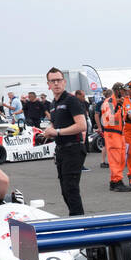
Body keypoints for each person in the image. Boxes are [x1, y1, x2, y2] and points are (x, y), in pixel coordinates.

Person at [42, 67, 89, 214]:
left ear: (64, 82)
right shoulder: (53, 104)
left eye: (59, 80)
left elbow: (82, 125)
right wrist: (49, 132)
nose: (56, 83)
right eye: (53, 81)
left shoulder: (71, 100)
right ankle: (76, 221)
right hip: (61, 150)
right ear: (48, 84)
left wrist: (56, 131)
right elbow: (56, 125)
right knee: (65, 191)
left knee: (71, 190)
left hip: (73, 149)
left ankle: (80, 225)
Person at [100, 83, 130, 192]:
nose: (125, 93)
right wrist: (118, 107)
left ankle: (114, 181)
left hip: (119, 134)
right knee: (116, 159)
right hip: (113, 134)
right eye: (123, 91)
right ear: (117, 90)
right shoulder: (111, 102)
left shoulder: (117, 102)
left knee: (121, 159)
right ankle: (117, 182)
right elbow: (110, 120)